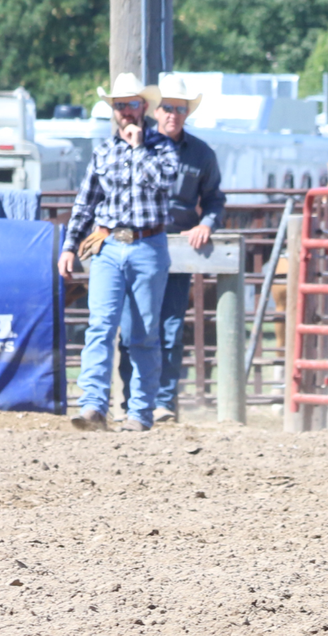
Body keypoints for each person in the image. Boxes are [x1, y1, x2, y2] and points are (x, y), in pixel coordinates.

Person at [57, 72, 180, 433]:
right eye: (118, 105)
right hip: (110, 246)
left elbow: (163, 183)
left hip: (147, 244)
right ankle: (93, 404)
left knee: (141, 333)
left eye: (130, 104)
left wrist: (139, 148)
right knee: (100, 325)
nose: (124, 111)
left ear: (143, 107)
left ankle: (140, 411)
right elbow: (85, 203)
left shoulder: (162, 148)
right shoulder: (104, 152)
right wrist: (69, 246)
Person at [112, 73, 225, 422]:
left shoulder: (202, 154)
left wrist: (206, 223)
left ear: (186, 114)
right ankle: (133, 400)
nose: (172, 114)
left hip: (176, 247)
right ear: (155, 111)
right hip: (139, 242)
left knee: (171, 326)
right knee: (133, 327)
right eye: (167, 108)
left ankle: (163, 401)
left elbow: (215, 199)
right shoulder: (133, 143)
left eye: (179, 109)